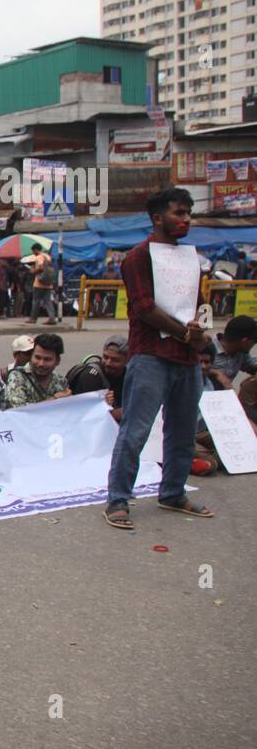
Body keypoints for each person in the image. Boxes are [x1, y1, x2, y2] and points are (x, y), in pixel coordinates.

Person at [105, 188, 214, 529]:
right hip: (151, 355)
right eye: (178, 213)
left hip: (186, 360)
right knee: (136, 431)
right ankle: (117, 500)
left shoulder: (189, 259)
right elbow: (145, 308)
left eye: (188, 214)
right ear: (157, 218)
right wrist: (187, 334)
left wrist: (197, 333)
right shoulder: (138, 257)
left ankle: (173, 493)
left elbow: (194, 306)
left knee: (182, 432)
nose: (185, 219)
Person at [1, 332, 72, 409]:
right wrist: (55, 399)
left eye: (47, 359)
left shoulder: (60, 381)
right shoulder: (17, 376)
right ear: (31, 356)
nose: (41, 364)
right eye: (37, 358)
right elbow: (20, 410)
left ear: (57, 361)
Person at [67, 337, 130, 417]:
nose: (108, 363)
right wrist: (118, 413)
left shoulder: (130, 375)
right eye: (106, 357)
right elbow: (87, 413)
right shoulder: (90, 376)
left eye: (115, 360)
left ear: (127, 360)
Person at [28, 244, 57, 325]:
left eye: (33, 251)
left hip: (39, 283)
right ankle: (52, 318)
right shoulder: (48, 256)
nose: (33, 253)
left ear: (36, 250)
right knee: (48, 301)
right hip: (48, 283)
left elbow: (41, 267)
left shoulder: (39, 257)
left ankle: (33, 319)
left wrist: (33, 271)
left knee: (36, 301)